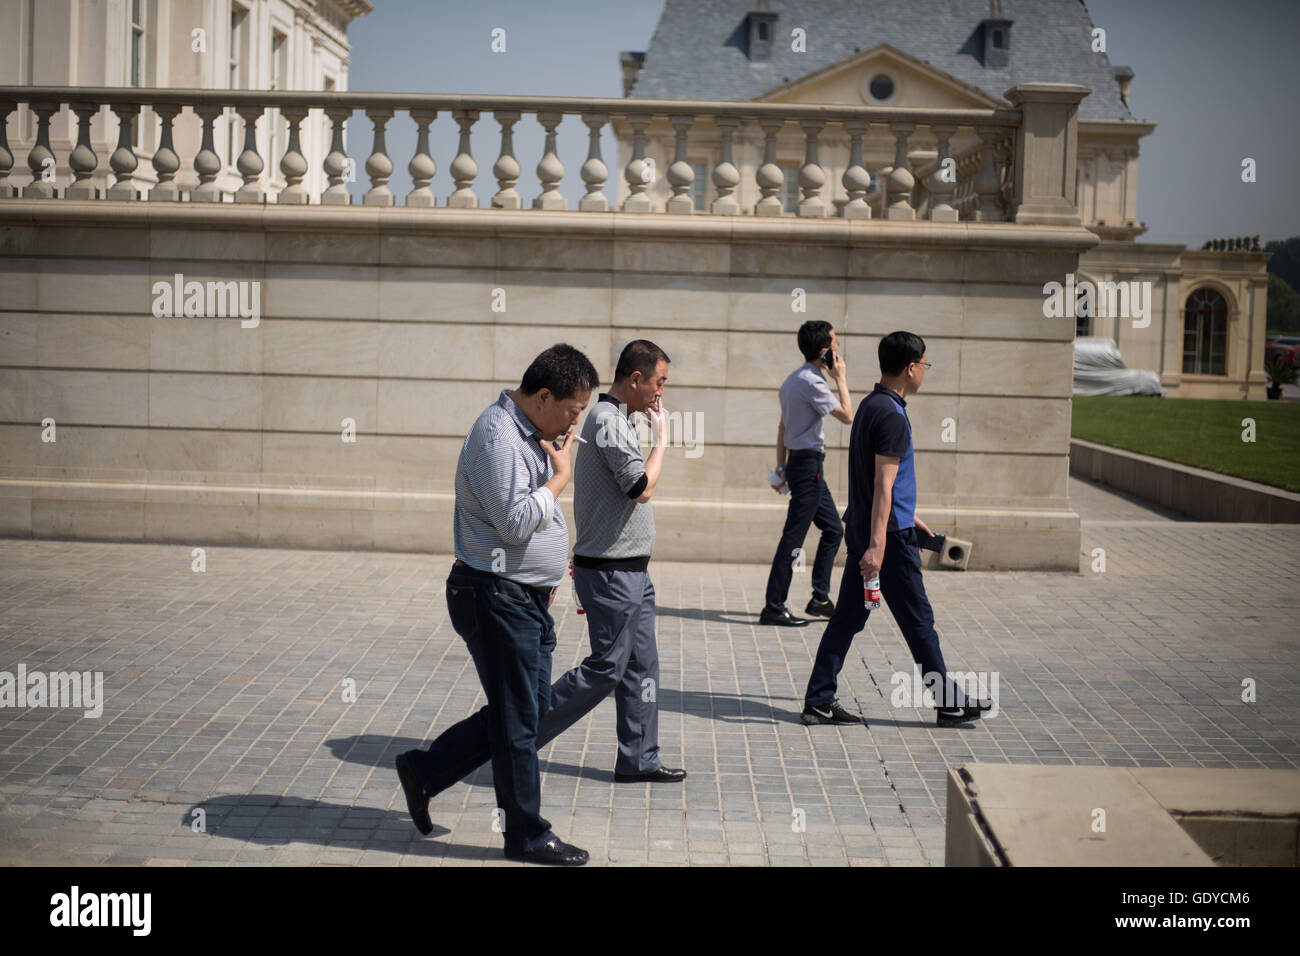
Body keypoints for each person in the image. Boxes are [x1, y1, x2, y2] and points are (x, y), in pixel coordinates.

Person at [395, 343, 598, 866]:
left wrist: (548, 569)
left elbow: (531, 521)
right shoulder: (498, 436)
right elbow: (512, 524)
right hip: (492, 595)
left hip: (519, 596)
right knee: (518, 719)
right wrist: (560, 478)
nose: (575, 422)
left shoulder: (530, 433)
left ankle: (426, 770)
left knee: (522, 713)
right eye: (574, 410)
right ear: (544, 396)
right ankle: (527, 834)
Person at [800, 331, 992, 727]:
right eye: (925, 365)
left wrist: (909, 516)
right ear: (911, 367)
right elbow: (881, 484)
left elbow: (881, 483)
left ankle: (818, 699)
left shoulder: (873, 405)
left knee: (849, 619)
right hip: (887, 541)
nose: (925, 371)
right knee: (918, 620)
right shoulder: (891, 414)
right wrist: (878, 544)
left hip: (881, 530)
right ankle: (948, 702)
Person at [567, 340, 685, 784]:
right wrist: (662, 443)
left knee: (640, 668)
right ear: (635, 379)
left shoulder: (615, 419)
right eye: (658, 383)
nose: (660, 394)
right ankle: (518, 734)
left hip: (632, 570)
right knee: (606, 670)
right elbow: (641, 487)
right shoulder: (606, 421)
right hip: (612, 572)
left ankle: (639, 760)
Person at [760, 320, 852, 627]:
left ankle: (820, 599)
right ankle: (774, 606)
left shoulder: (791, 381)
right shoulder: (813, 383)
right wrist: (841, 379)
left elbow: (782, 428)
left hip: (802, 466)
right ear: (825, 351)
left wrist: (782, 468)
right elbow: (848, 416)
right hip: (809, 466)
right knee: (793, 537)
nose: (838, 352)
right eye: (835, 346)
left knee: (834, 529)